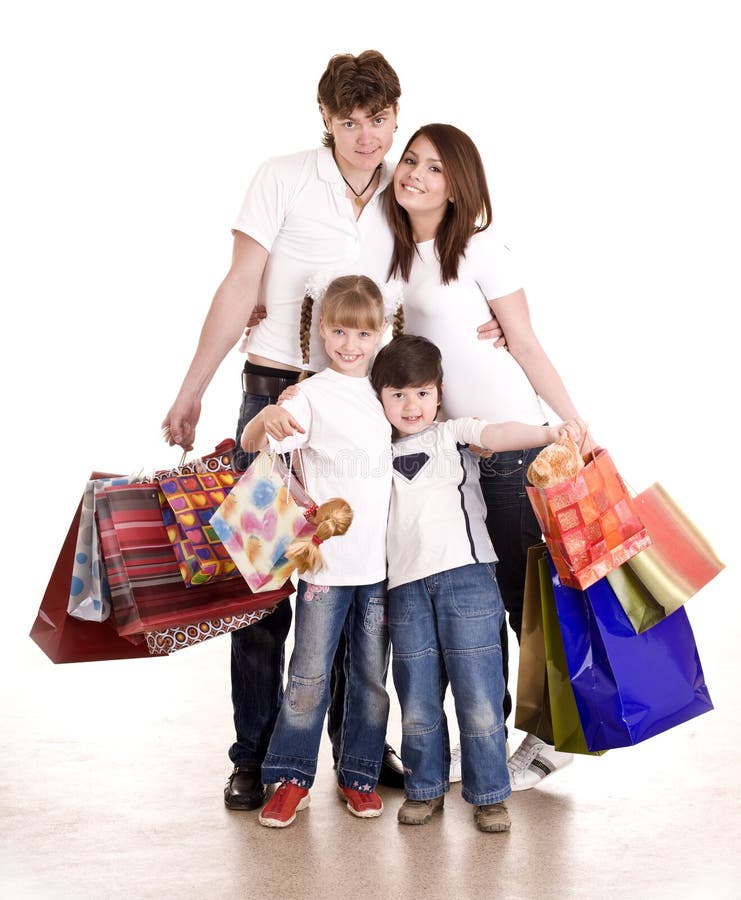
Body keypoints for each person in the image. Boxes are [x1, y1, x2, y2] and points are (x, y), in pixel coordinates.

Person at [162, 50, 406, 810]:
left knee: (359, 578)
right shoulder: (283, 177)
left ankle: (359, 755)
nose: (365, 136)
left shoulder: (408, 192)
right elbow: (240, 283)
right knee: (263, 587)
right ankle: (258, 754)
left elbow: (434, 282)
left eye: (377, 119)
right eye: (348, 121)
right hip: (275, 396)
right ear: (326, 121)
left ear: (396, 114)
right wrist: (192, 390)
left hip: (366, 406)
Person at [386, 123, 586, 790]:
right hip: (456, 455)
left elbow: (524, 341)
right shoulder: (391, 252)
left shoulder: (475, 247)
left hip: (509, 448)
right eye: (410, 160)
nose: (415, 173)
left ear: (458, 185)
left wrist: (570, 424)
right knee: (480, 604)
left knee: (522, 602)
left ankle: (555, 737)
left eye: (434, 168)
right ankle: (489, 741)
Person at [369, 334, 583, 830]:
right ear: (379, 398)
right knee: (418, 698)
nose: (411, 405)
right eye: (397, 394)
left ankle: (489, 795)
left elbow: (501, 432)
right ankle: (424, 789)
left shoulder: (454, 434)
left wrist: (550, 433)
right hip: (405, 590)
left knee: (479, 695)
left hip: (467, 579)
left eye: (422, 393)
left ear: (439, 394)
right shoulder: (375, 451)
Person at [240, 275, 392, 828]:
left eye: (363, 333)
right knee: (308, 674)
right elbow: (256, 443)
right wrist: (262, 418)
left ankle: (358, 775)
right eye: (339, 331)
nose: (350, 344)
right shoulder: (308, 395)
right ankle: (289, 778)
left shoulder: (385, 394)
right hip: (325, 568)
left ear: (380, 334)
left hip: (380, 569)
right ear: (323, 331)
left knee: (371, 679)